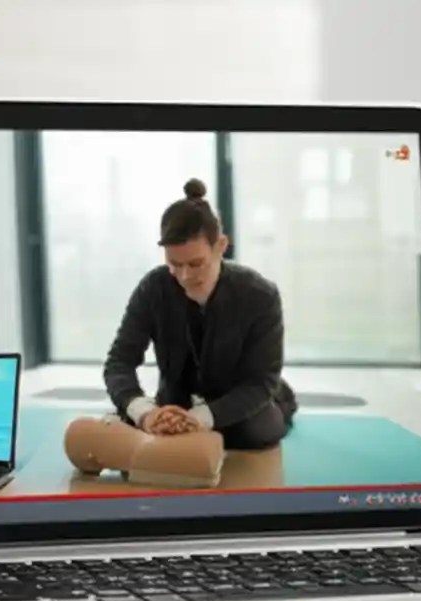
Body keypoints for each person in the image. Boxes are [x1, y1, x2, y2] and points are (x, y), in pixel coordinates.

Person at [104, 178, 297, 451]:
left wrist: (200, 419)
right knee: (127, 419)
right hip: (176, 402)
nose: (184, 276)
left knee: (251, 433)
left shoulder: (260, 295)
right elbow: (118, 363)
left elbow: (261, 381)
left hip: (243, 401)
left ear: (221, 246)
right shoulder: (153, 288)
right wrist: (145, 412)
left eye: (196, 264)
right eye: (174, 264)